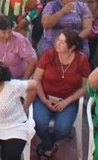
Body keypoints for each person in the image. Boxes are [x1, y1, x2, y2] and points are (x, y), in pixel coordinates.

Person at [31, 30, 90, 158]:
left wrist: (67, 101)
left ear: (72, 47)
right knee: (39, 122)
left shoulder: (81, 61)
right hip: (45, 97)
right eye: (58, 40)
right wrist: (45, 100)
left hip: (68, 100)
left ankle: (48, 144)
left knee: (63, 129)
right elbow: (37, 80)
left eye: (62, 42)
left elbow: (85, 87)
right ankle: (50, 146)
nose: (58, 44)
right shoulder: (49, 55)